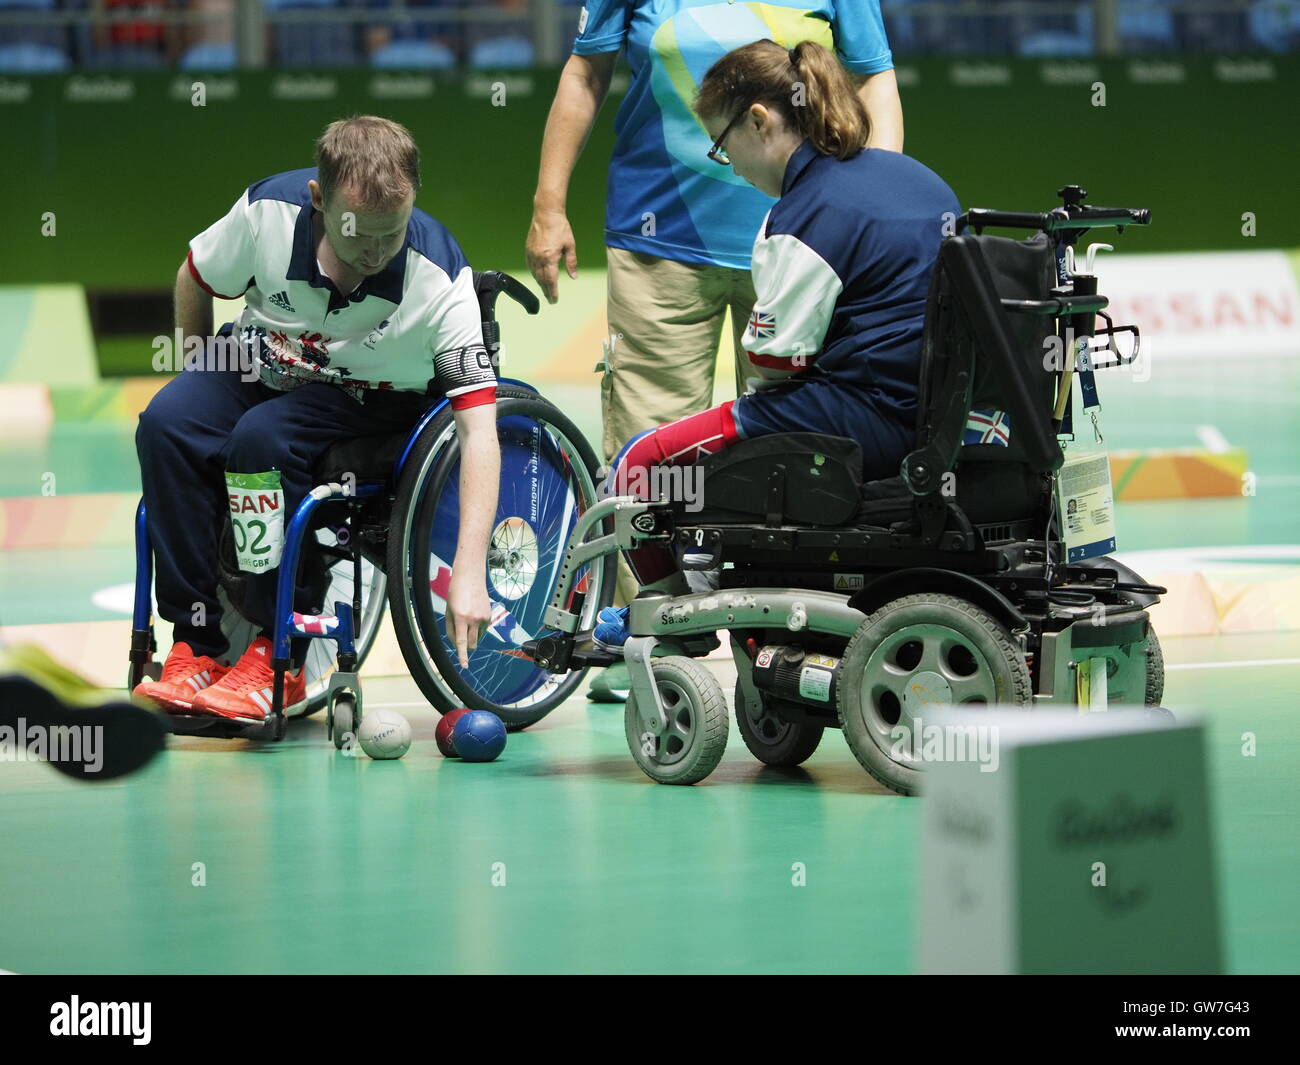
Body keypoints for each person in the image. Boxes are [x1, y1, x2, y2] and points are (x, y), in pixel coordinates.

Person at [528, 0, 904, 698]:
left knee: (798, 450)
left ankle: (787, 635)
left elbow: (875, 75)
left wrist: (871, 194)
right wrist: (549, 204)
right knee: (650, 449)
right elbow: (584, 75)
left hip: (810, 244)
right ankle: (646, 629)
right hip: (659, 241)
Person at [591, 38, 959, 649]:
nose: (728, 163)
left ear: (759, 120)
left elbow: (773, 364)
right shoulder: (917, 178)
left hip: (864, 421)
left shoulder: (806, 214)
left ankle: (678, 621)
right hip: (940, 419)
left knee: (638, 467)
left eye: (722, 143)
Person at [133, 116, 499, 724]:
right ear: (317, 200)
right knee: (167, 421)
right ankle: (194, 644)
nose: (378, 252)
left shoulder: (439, 278)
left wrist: (470, 570)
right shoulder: (265, 214)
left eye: (393, 233)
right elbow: (193, 276)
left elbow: (478, 428)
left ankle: (279, 650)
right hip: (264, 362)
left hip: (369, 396)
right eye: (361, 236)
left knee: (262, 443)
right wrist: (197, 374)